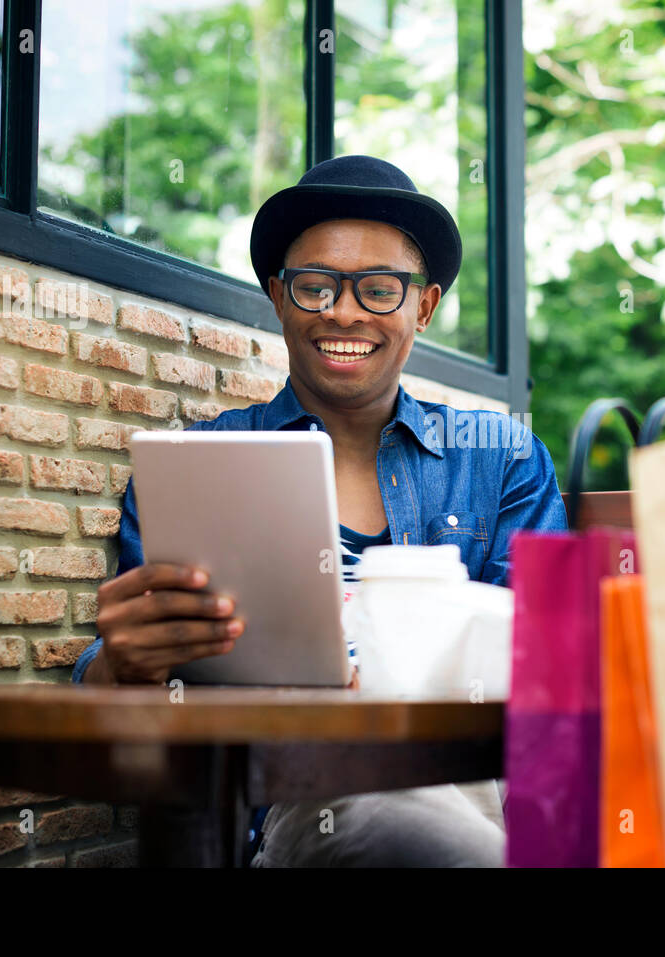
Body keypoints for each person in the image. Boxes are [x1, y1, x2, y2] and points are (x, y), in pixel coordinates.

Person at [70, 155, 568, 866]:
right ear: (278, 297)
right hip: (296, 802)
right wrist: (119, 663)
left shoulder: (501, 460)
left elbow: (550, 673)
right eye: (314, 286)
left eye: (378, 289)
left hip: (480, 796)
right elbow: (138, 679)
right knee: (393, 812)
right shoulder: (200, 464)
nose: (342, 311)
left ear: (422, 308)